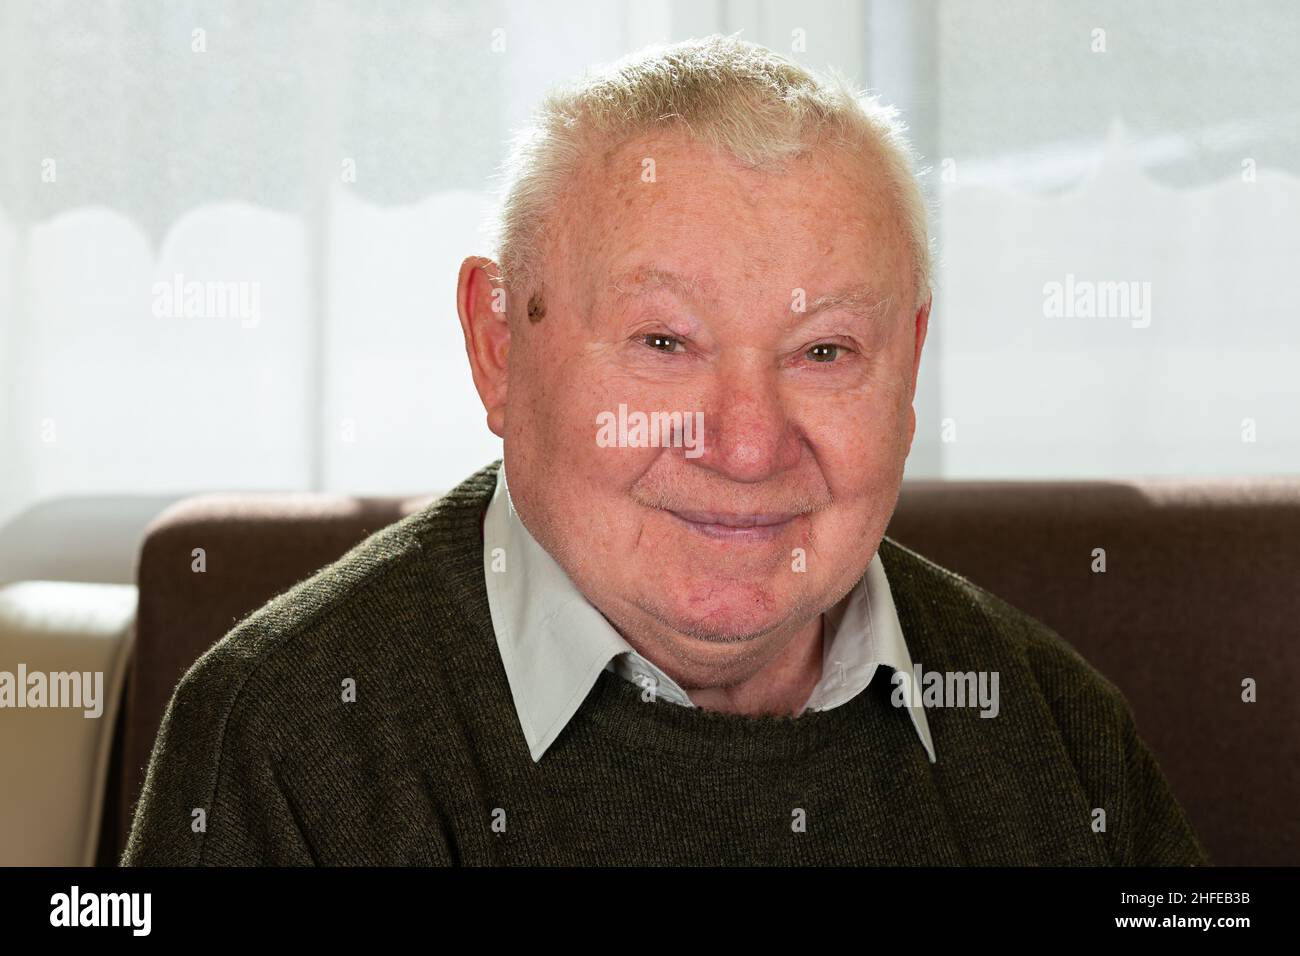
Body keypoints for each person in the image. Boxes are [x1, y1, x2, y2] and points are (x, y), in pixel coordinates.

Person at [122, 33, 1207, 866]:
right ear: (498, 341)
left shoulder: (1057, 730)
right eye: (662, 341)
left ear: (909, 361)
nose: (744, 444)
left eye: (824, 348)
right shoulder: (286, 737)